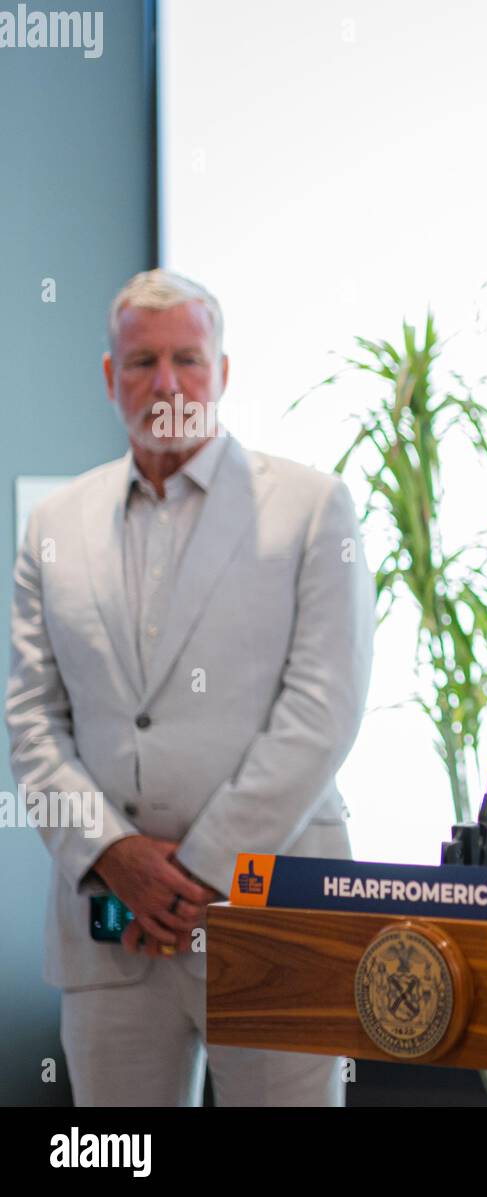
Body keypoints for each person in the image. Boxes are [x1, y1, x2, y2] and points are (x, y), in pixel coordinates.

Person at [5, 269, 374, 1106]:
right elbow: (32, 717)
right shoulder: (54, 525)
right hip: (109, 928)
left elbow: (324, 708)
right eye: (142, 362)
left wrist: (201, 870)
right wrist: (114, 856)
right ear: (110, 377)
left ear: (223, 371)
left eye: (188, 359)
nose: (166, 383)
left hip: (276, 915)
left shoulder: (312, 507)